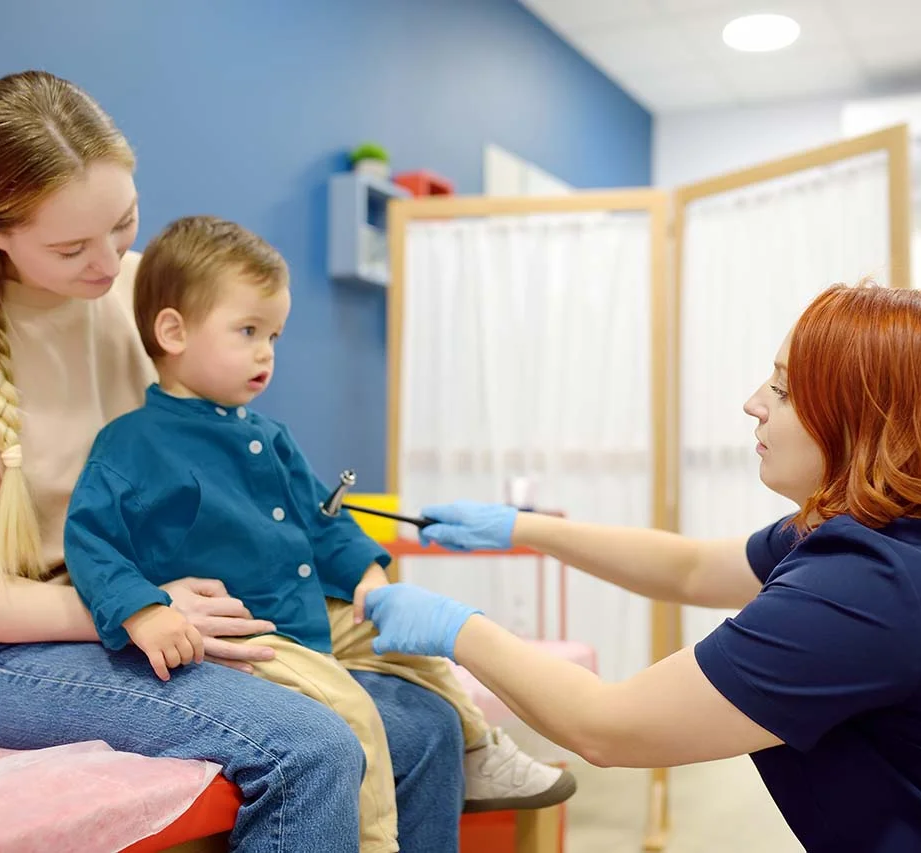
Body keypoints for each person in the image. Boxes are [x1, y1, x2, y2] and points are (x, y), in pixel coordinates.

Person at [0, 70, 465, 853]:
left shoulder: (144, 292)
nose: (108, 264)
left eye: (123, 224)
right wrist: (133, 607)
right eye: (72, 247)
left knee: (424, 722)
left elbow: (241, 455)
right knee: (309, 745)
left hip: (157, 603)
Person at [365, 283, 921, 852]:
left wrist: (457, 628)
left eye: (785, 389)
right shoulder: (889, 532)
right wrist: (521, 528)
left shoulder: (871, 586)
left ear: (864, 424)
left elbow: (607, 728)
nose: (753, 402)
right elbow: (691, 569)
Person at [62, 214, 575, 852]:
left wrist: (366, 573)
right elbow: (89, 543)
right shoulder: (133, 444)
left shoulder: (269, 437)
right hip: (254, 633)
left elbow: (323, 519)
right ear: (173, 331)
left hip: (313, 613)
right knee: (353, 712)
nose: (265, 353)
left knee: (418, 627)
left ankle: (479, 748)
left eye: (272, 335)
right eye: (247, 331)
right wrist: (142, 610)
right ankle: (377, 839)